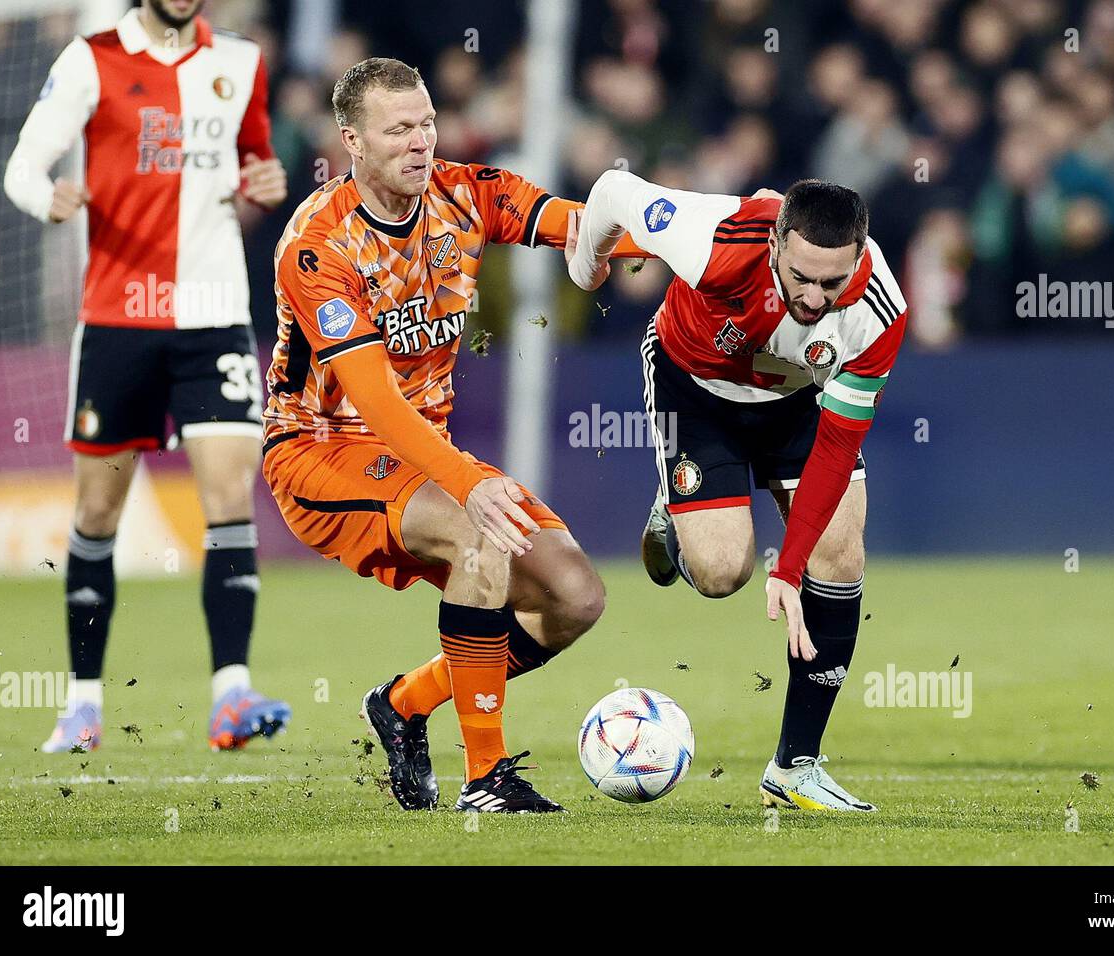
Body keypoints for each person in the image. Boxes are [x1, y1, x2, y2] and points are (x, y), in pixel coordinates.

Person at [264, 58, 648, 813]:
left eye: (428, 123)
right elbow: (374, 402)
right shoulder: (319, 247)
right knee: (480, 540)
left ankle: (405, 702)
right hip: (320, 451)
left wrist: (727, 234)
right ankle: (487, 780)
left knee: (576, 597)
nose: (420, 142)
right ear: (352, 141)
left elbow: (587, 227)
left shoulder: (467, 195)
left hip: (421, 457)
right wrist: (471, 484)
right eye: (399, 129)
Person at [566, 170, 908, 812]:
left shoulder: (877, 311)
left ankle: (796, 765)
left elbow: (838, 447)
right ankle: (674, 506)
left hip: (796, 406)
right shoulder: (713, 236)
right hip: (694, 394)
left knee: (840, 548)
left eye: (831, 282)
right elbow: (612, 190)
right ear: (776, 242)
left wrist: (795, 562)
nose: (813, 297)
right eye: (800, 276)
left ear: (859, 259)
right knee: (724, 574)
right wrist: (588, 270)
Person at [3, 0, 291, 753]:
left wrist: (263, 186)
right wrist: (48, 198)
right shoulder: (90, 58)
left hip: (215, 312)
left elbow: (253, 170)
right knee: (98, 514)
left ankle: (232, 694)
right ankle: (84, 704)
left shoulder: (240, 63)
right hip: (117, 321)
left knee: (229, 497)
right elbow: (22, 167)